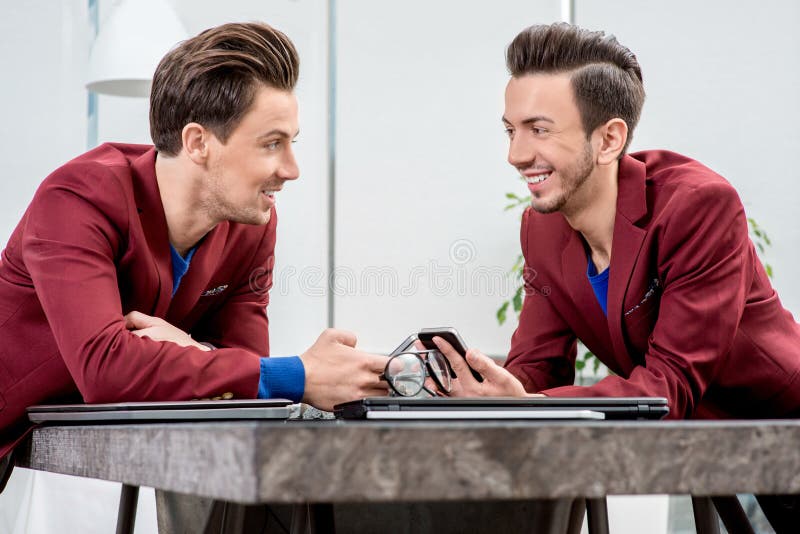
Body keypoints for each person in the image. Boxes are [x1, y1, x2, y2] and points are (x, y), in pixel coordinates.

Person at [428, 22, 800, 532]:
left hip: (785, 438)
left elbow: (667, 388)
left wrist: (528, 404)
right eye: (510, 130)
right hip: (716, 455)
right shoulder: (541, 228)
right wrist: (475, 390)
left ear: (609, 139)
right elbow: (535, 372)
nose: (515, 154)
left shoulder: (696, 206)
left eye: (539, 130)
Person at [0, 22, 388, 472]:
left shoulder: (253, 224)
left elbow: (243, 377)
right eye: (272, 144)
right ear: (198, 142)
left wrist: (190, 348)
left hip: (89, 453)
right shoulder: (77, 197)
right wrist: (297, 375)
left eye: (291, 143)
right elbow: (106, 370)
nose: (292, 169)